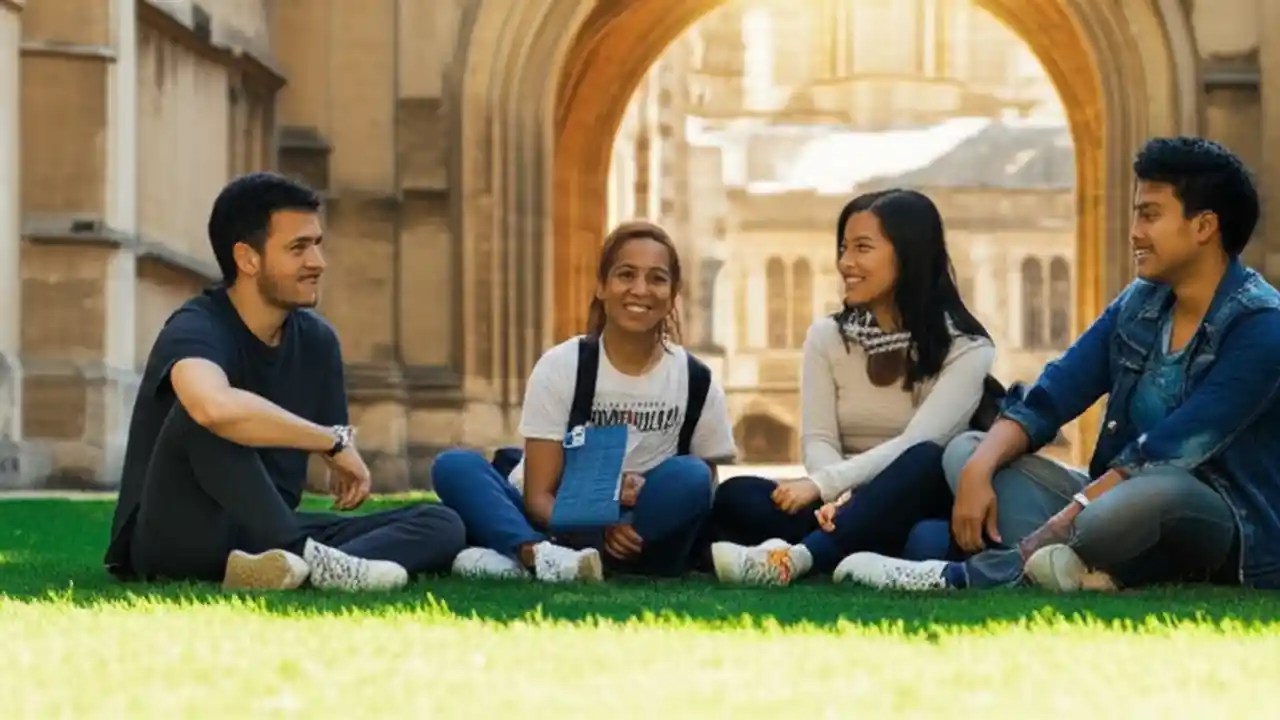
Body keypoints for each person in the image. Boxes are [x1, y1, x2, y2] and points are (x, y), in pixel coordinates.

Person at [834, 136, 1280, 592]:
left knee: (1148, 493)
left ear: (1204, 226)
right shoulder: (1140, 304)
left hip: (1212, 522)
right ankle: (1083, 571)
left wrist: (1059, 524)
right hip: (1108, 503)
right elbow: (1053, 394)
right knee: (966, 448)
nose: (1134, 233)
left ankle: (969, 575)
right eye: (1136, 214)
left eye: (1150, 215)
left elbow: (1169, 449)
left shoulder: (1262, 326)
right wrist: (978, 469)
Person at [103, 172, 466, 592]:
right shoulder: (196, 326)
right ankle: (308, 559)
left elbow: (335, 438)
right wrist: (330, 441)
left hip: (265, 532)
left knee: (441, 522)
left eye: (317, 244)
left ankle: (296, 567)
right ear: (247, 258)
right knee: (200, 414)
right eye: (298, 248)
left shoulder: (317, 341)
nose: (318, 262)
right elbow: (211, 407)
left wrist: (340, 442)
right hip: (180, 537)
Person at [708, 189, 996, 585]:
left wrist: (829, 487)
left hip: (915, 498)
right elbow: (819, 438)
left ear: (908, 254)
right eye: (843, 248)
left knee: (925, 472)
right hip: (836, 502)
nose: (846, 263)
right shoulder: (826, 337)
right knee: (737, 497)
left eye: (862, 248)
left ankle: (798, 559)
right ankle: (856, 551)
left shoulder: (968, 348)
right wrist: (838, 499)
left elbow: (918, 443)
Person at [430, 220, 738, 582]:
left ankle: (521, 554)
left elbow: (702, 491)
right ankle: (536, 553)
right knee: (454, 467)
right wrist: (602, 519)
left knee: (690, 475)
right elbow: (538, 497)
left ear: (673, 293)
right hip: (558, 519)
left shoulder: (695, 379)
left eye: (657, 279)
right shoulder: (562, 366)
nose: (640, 290)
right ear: (602, 286)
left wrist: (642, 511)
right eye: (626, 275)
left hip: (643, 525)